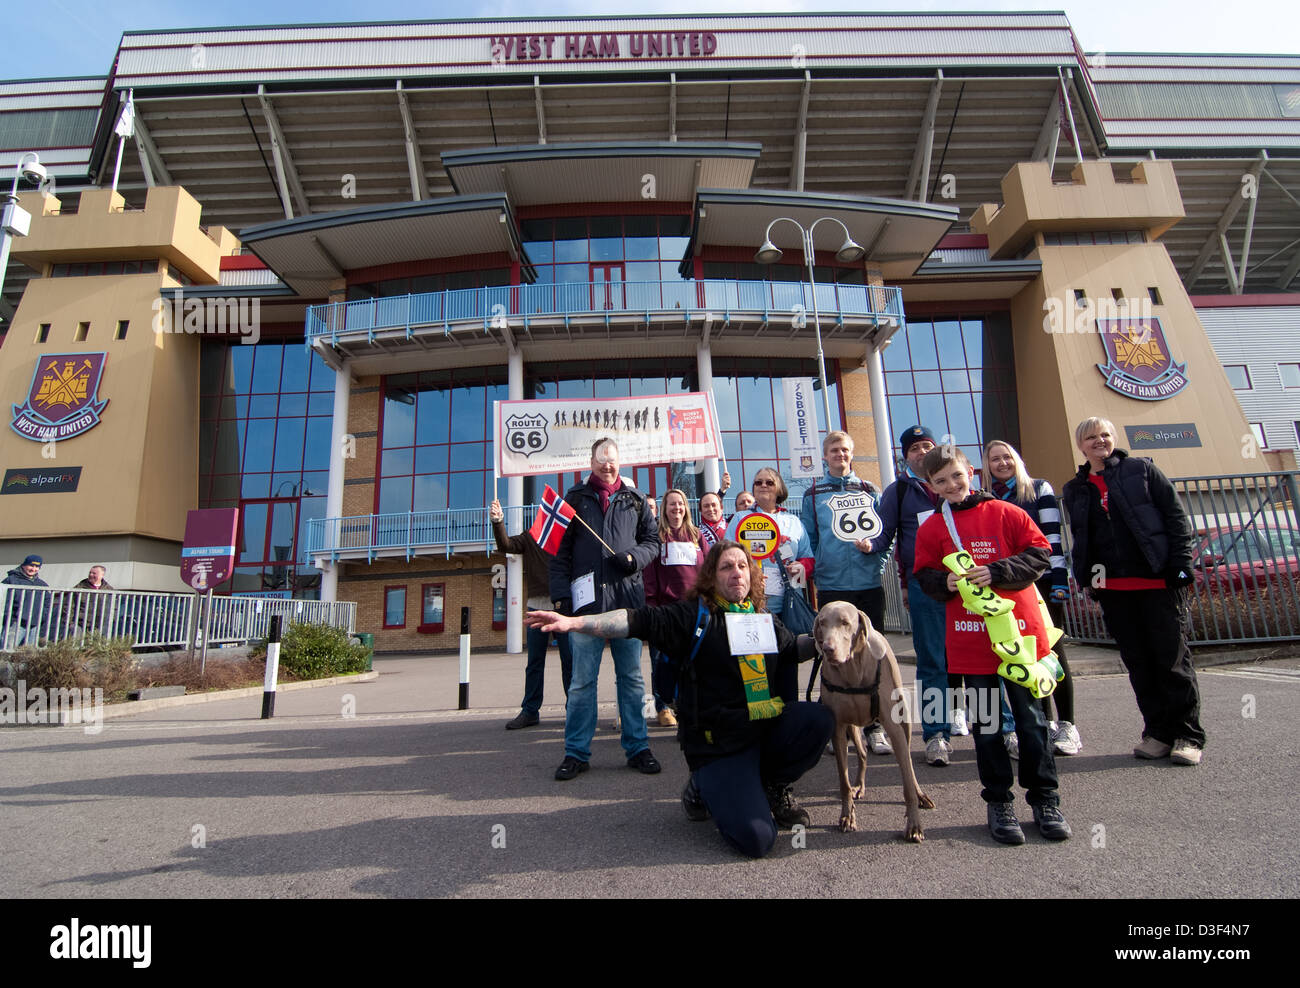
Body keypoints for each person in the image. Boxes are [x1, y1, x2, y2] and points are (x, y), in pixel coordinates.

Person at [527, 540, 833, 858]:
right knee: (757, 839)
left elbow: (791, 648)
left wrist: (827, 641)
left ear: (752, 575)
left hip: (762, 728)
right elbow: (635, 621)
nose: (736, 573)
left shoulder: (761, 617)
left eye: (742, 566)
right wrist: (576, 623)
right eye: (726, 567)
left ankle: (771, 785)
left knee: (819, 719)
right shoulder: (693, 618)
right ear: (711, 577)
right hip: (720, 746)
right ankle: (701, 786)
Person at [912, 445, 1071, 845]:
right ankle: (998, 802)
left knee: (1032, 722)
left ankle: (1044, 798)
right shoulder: (932, 526)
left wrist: (996, 570)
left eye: (956, 475)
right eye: (941, 481)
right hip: (970, 640)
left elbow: (1040, 553)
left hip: (1019, 636)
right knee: (986, 726)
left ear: (970, 471)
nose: (952, 485)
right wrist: (944, 583)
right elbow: (924, 575)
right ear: (930, 486)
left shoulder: (1007, 512)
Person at [1061, 417, 1205, 766]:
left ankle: (1187, 735)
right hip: (1114, 589)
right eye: (1091, 437)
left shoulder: (1142, 470)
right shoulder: (1075, 489)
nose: (1100, 441)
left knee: (1171, 661)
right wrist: (1087, 579)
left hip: (1157, 583)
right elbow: (1083, 538)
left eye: (1105, 435)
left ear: (1114, 439)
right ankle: (1157, 733)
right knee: (1138, 663)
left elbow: (1175, 518)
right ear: (1081, 445)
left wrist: (1180, 565)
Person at [548, 438, 662, 781]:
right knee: (582, 682)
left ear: (619, 462)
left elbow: (652, 542)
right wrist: (561, 599)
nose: (607, 466)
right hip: (586, 608)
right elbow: (559, 553)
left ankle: (638, 747)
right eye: (601, 461)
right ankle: (576, 752)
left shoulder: (635, 499)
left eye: (612, 461)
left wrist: (634, 559)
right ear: (591, 461)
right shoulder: (574, 499)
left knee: (631, 679)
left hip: (628, 605)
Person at [984, 440, 1081, 756]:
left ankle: (1068, 725)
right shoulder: (988, 498)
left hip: (1041, 582)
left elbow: (1052, 538)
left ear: (1017, 460)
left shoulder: (1038, 489)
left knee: (1052, 652)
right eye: (994, 459)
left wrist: (1059, 581)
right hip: (1009, 587)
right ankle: (1046, 724)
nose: (1001, 463)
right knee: (1025, 656)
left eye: (1006, 457)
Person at [799, 430, 893, 754]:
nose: (840, 455)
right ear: (825, 456)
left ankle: (875, 726)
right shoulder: (812, 495)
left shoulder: (870, 490)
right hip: (833, 585)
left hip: (868, 584)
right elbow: (809, 540)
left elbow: (884, 535)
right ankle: (836, 726)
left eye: (845, 450)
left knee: (873, 655)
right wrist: (820, 569)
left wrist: (876, 562)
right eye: (834, 450)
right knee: (832, 657)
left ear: (852, 454)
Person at [725, 467, 812, 703]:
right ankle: (757, 722)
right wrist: (747, 573)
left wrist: (802, 567)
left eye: (769, 482)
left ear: (779, 488)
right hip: (750, 605)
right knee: (754, 666)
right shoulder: (741, 519)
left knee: (786, 665)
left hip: (786, 604)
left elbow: (807, 556)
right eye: (758, 482)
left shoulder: (792, 522)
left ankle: (788, 718)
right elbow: (725, 556)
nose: (763, 485)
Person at [491, 498, 573, 730]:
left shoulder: (566, 538)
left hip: (563, 607)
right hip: (536, 606)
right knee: (535, 661)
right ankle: (530, 710)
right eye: (543, 514)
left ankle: (574, 709)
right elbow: (505, 545)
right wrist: (498, 521)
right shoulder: (530, 537)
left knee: (569, 660)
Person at [643, 489, 709, 727]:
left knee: (692, 662)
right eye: (672, 504)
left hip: (695, 611)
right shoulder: (658, 537)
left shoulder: (697, 536)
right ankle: (662, 707)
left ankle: (689, 707)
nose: (677, 508)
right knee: (661, 662)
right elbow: (649, 575)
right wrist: (651, 606)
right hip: (666, 612)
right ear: (664, 509)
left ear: (686, 507)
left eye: (680, 503)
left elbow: (708, 570)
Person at [4, 554, 51, 647]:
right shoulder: (11, 580)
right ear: (24, 565)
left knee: (30, 655)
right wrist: (11, 617)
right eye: (31, 565)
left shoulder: (42, 585)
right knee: (7, 651)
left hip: (34, 625)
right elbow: (3, 601)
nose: (33, 569)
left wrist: (41, 618)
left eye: (37, 566)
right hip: (14, 623)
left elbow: (47, 603)